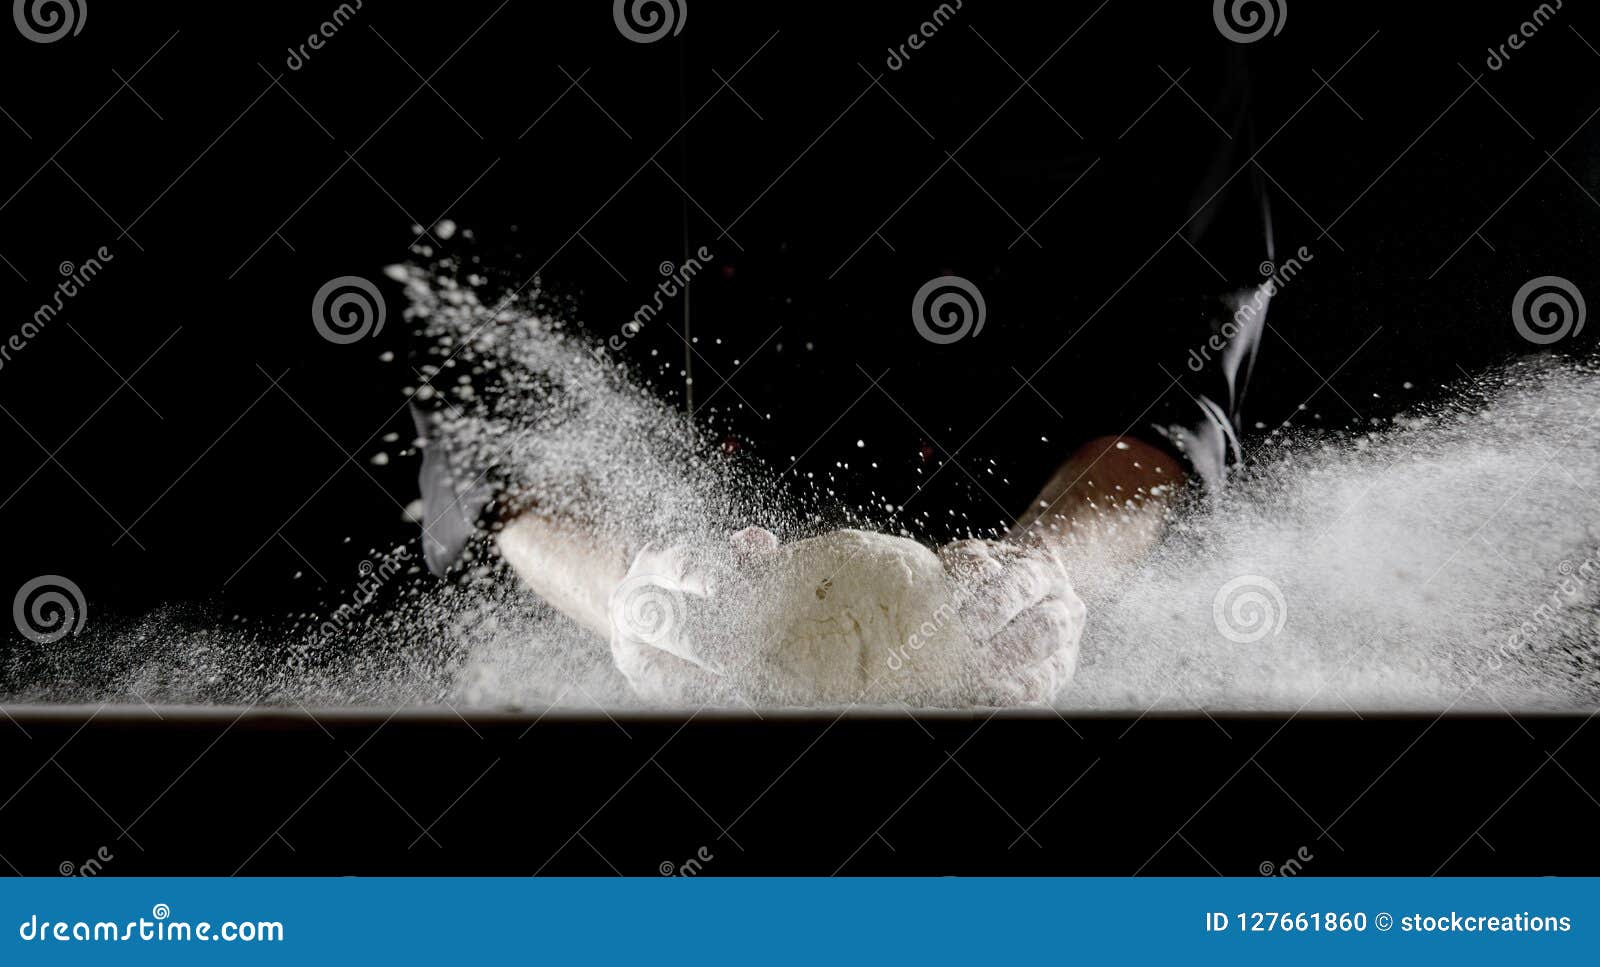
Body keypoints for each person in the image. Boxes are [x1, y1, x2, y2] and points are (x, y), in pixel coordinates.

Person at [410, 40, 1275, 706]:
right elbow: (490, 417)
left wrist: (1043, 572)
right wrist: (632, 595)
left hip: (1032, 657)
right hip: (634, 668)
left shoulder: (1152, 37)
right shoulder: (543, 57)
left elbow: (1178, 378)